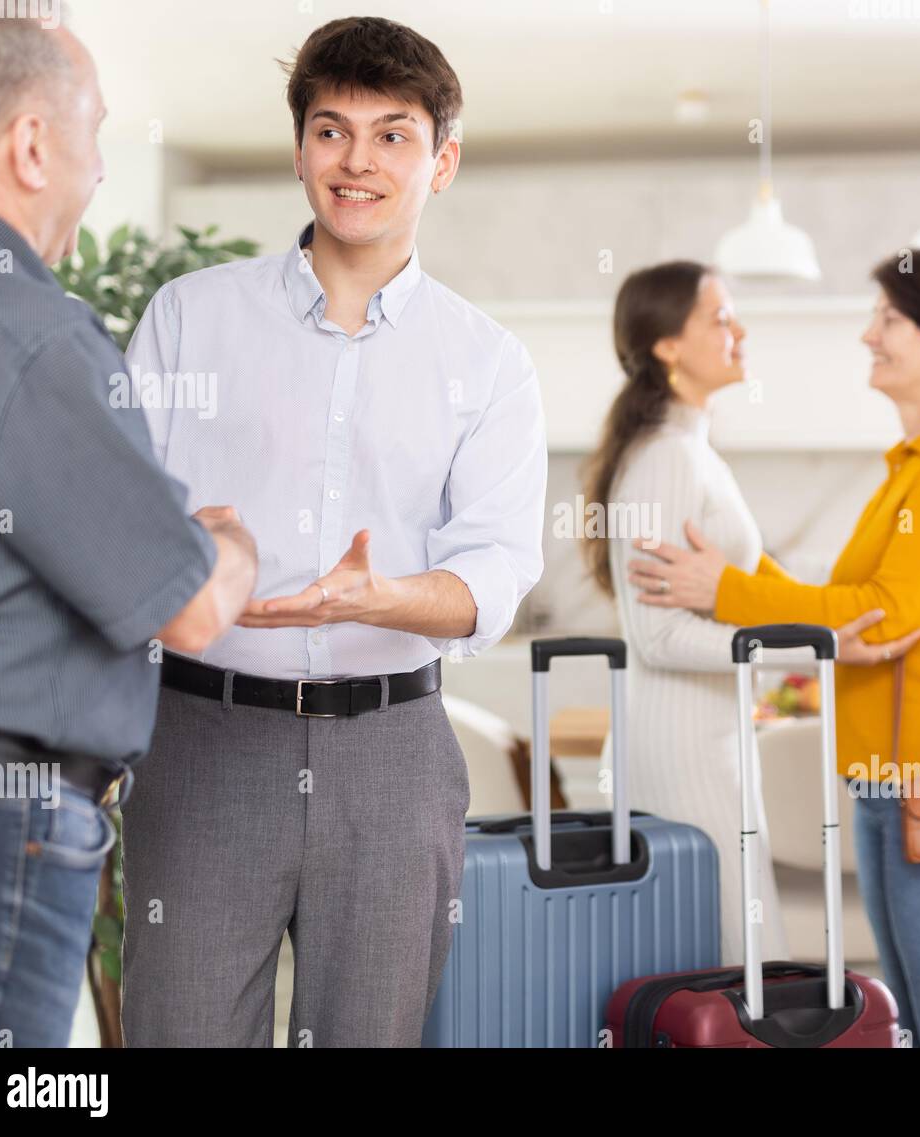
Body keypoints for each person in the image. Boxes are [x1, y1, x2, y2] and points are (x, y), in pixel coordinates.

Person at [119, 16, 547, 1048]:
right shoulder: (189, 317)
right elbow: (123, 520)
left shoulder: (487, 363)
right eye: (330, 130)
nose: (357, 162)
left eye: (392, 135)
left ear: (441, 160)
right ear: (300, 148)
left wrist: (383, 597)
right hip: (203, 740)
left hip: (393, 756)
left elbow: (494, 567)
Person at [627, 250, 920, 1046]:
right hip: (891, 777)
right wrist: (736, 570)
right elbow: (845, 605)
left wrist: (729, 590)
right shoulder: (911, 471)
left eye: (890, 320)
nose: (867, 335)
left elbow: (879, 617)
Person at [0, 15, 257, 1048]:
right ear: (33, 146)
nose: (97, 173)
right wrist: (228, 541)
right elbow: (191, 608)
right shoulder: (22, 328)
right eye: (95, 135)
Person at [584, 261, 920, 966]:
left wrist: (820, 631)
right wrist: (816, 647)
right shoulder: (667, 458)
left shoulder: (689, 450)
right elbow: (659, 634)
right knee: (737, 963)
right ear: (668, 346)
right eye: (720, 317)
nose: (739, 330)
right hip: (685, 752)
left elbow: (728, 594)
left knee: (723, 961)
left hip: (703, 738)